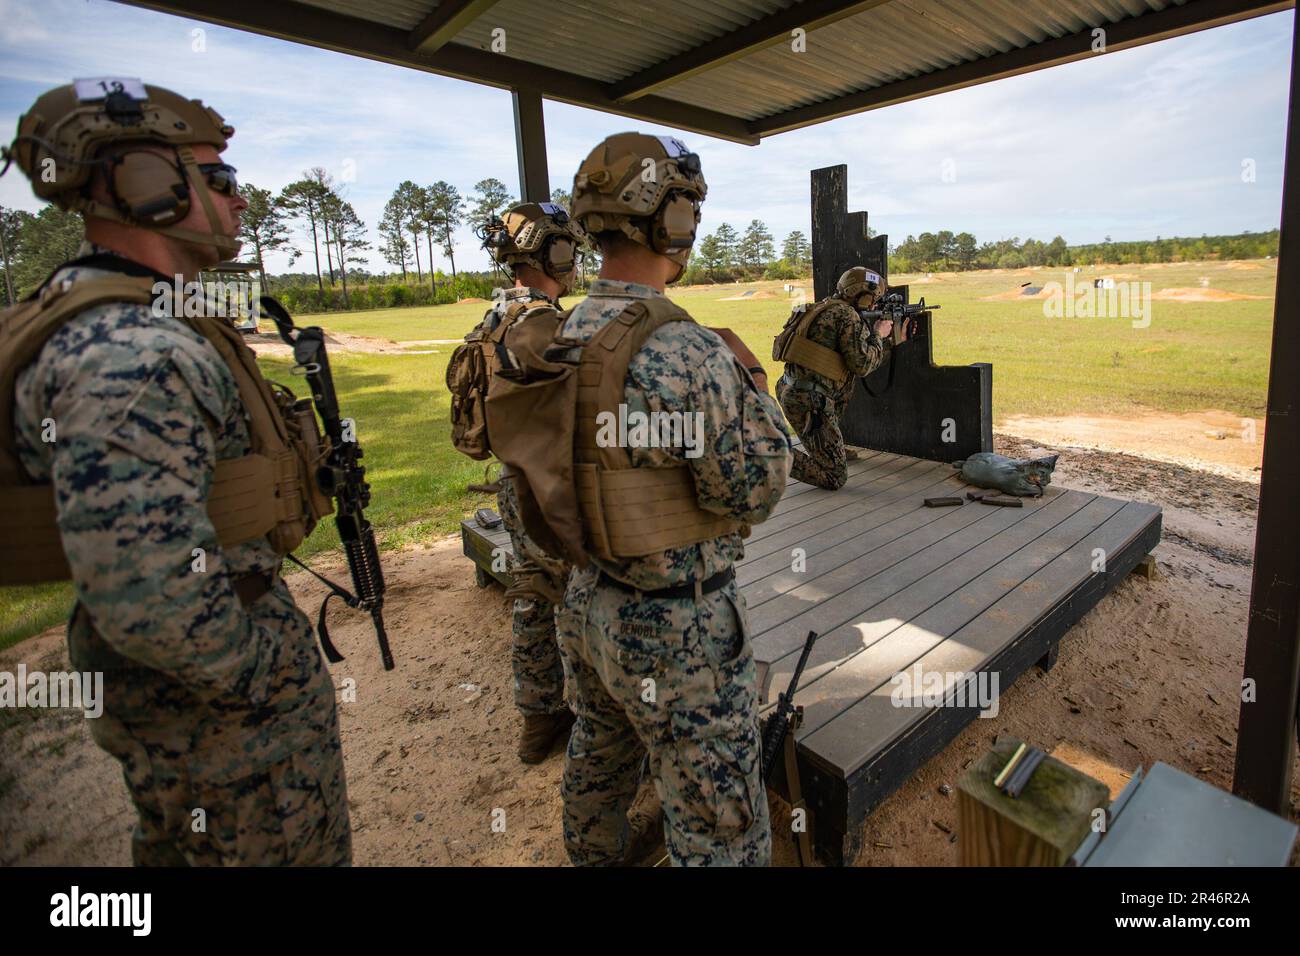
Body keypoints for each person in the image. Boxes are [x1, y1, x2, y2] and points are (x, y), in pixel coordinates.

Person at [0, 80, 349, 865]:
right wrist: (264, 674)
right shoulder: (135, 351)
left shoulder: (138, 318)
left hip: (196, 710)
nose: (240, 203)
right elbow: (148, 594)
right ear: (149, 186)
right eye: (219, 181)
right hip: (223, 725)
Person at [554, 132, 792, 866]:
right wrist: (755, 385)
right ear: (672, 220)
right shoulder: (688, 349)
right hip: (675, 626)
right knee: (719, 823)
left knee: (600, 756)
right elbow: (754, 488)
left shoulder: (567, 327)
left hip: (588, 600)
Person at [472, 201, 583, 762]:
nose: (575, 260)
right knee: (574, 604)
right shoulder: (543, 324)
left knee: (532, 596)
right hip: (551, 493)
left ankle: (538, 719)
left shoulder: (496, 317)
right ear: (552, 251)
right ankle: (593, 724)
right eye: (569, 248)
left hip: (515, 484)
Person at [773, 266, 898, 490]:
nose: (873, 305)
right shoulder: (847, 316)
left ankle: (832, 448)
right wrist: (880, 333)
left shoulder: (824, 306)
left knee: (840, 391)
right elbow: (862, 365)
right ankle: (770, 451)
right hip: (808, 401)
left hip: (794, 389)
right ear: (863, 294)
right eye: (873, 298)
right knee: (834, 477)